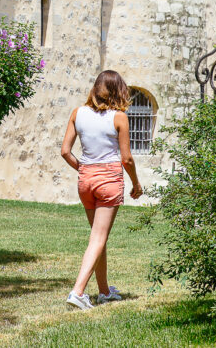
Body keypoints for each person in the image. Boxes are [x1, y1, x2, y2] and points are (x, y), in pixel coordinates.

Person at [60, 70, 143, 310]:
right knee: (98, 238)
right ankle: (78, 292)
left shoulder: (78, 113)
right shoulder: (119, 117)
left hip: (85, 180)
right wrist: (136, 184)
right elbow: (126, 159)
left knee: (99, 237)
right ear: (119, 91)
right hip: (108, 180)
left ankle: (104, 291)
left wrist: (84, 169)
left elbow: (65, 151)